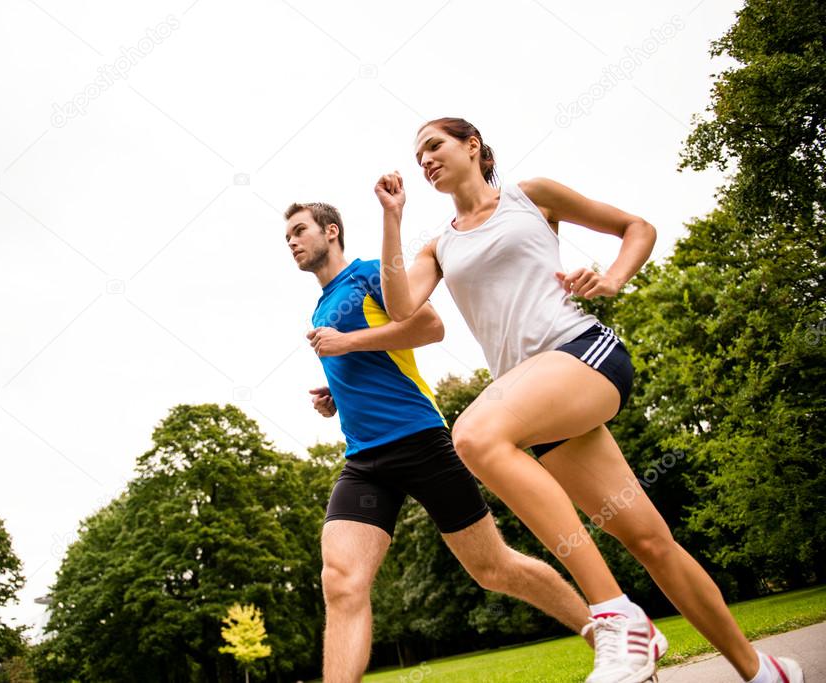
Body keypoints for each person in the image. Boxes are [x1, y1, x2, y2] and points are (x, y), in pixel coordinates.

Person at [374, 116, 804, 683]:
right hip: (536, 400)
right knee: (651, 540)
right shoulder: (441, 245)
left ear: (472, 145)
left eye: (435, 145)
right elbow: (400, 306)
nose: (424, 158)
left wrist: (613, 279)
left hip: (582, 353)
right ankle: (764, 671)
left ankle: (616, 618)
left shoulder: (534, 197)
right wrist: (392, 219)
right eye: (417, 154)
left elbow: (637, 227)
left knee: (475, 436)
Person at [284, 200, 598, 683]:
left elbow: (429, 326)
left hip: (420, 442)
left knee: (494, 569)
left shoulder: (370, 274)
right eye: (287, 236)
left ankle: (607, 635)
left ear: (331, 231)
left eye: (300, 230)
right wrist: (337, 396)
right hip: (364, 461)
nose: (292, 241)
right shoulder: (321, 304)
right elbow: (378, 368)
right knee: (341, 583)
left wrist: (345, 344)